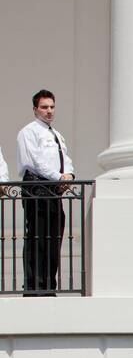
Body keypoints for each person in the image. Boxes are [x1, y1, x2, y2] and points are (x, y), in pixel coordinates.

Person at [17, 89, 74, 295]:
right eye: (44, 107)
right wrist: (58, 177)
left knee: (54, 235)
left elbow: (65, 159)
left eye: (51, 107)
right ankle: (34, 286)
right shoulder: (28, 132)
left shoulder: (56, 134)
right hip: (36, 188)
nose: (49, 111)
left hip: (53, 190)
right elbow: (35, 163)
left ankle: (49, 285)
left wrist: (69, 175)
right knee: (38, 236)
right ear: (35, 109)